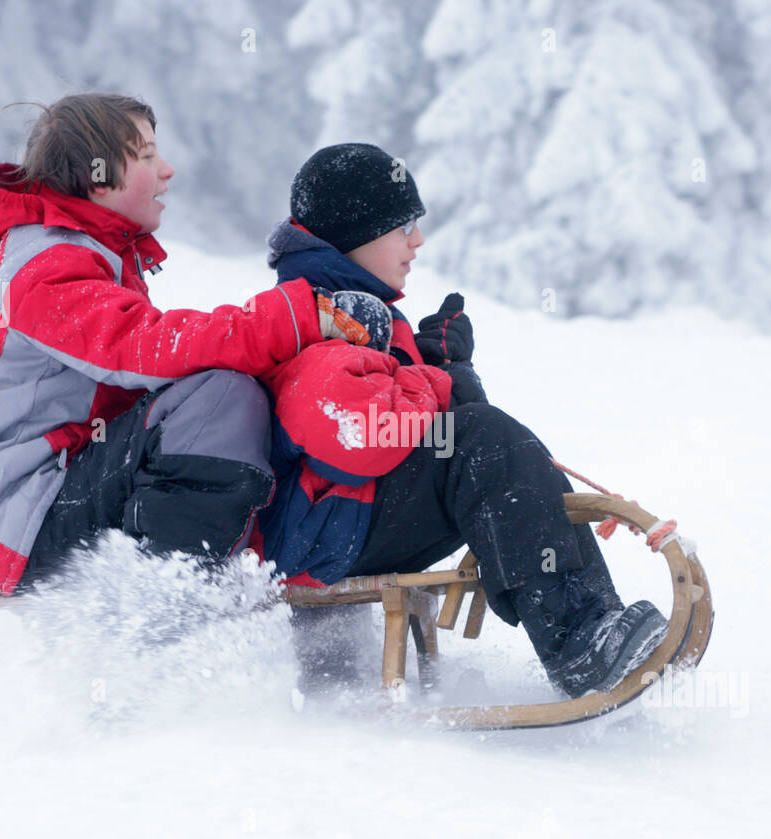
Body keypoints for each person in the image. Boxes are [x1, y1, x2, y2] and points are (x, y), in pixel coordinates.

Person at [0, 94, 392, 596]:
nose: (167, 170)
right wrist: (296, 317)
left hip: (51, 491)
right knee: (219, 396)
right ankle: (171, 605)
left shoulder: (83, 250)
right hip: (22, 510)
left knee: (218, 392)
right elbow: (142, 348)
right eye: (147, 156)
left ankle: (201, 578)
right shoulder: (46, 260)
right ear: (97, 175)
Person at [254, 144, 672, 698]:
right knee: (487, 442)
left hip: (344, 519)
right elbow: (355, 438)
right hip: (322, 531)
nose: (417, 241)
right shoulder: (315, 312)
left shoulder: (362, 311)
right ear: (355, 234)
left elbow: (408, 425)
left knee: (491, 445)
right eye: (403, 226)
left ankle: (595, 627)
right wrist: (445, 381)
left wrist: (441, 373)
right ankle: (578, 642)